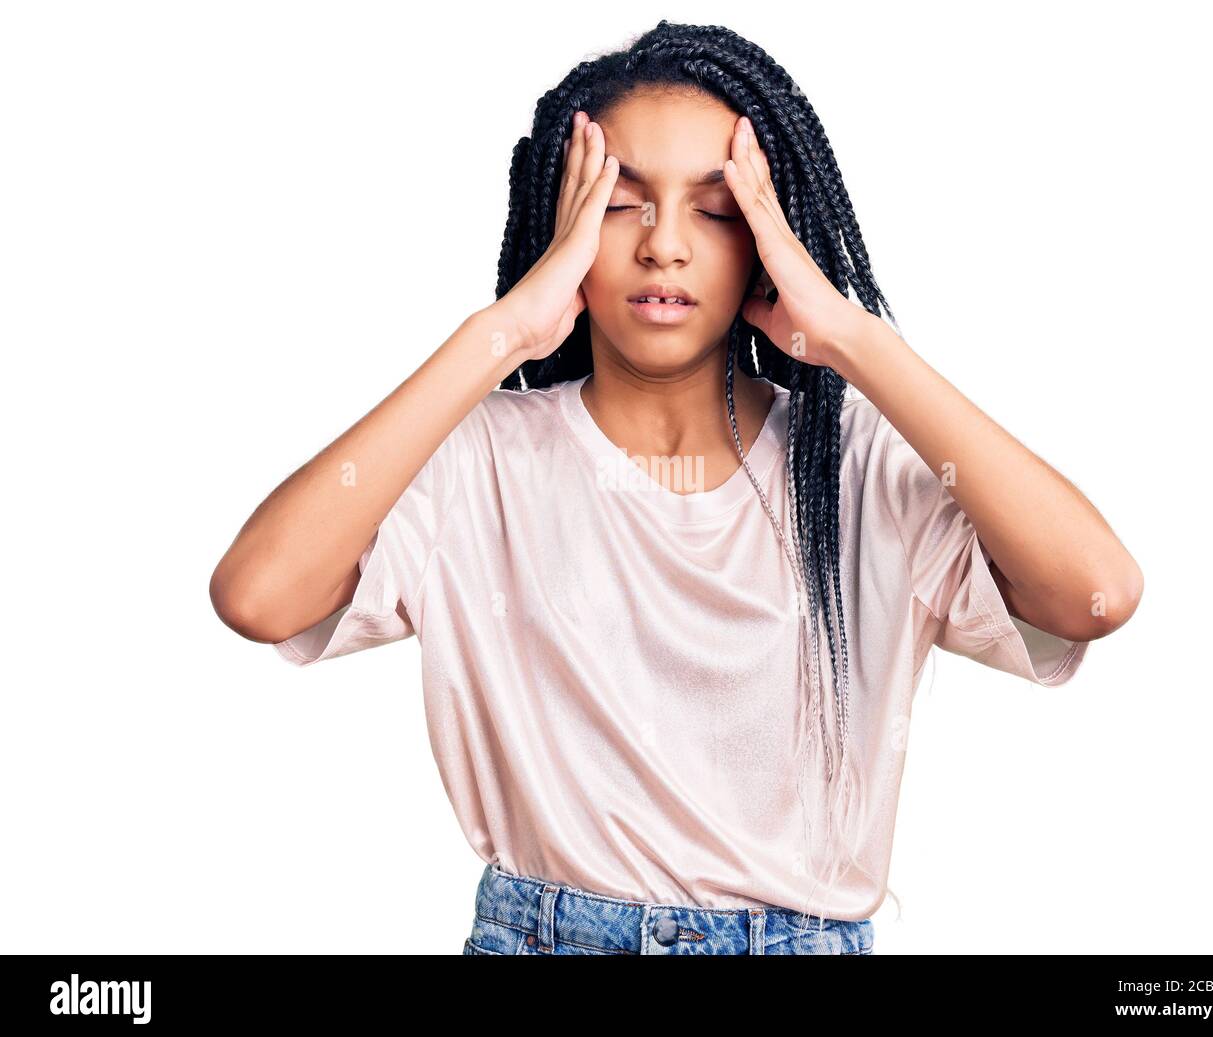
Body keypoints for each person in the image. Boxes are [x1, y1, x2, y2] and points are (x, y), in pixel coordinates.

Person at [209, 21, 1142, 956]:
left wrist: (857, 342)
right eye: (620, 203)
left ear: (777, 239)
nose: (664, 245)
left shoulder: (856, 466)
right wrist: (500, 334)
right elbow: (258, 595)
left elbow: (1096, 591)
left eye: (717, 209)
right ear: (560, 225)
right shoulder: (479, 460)